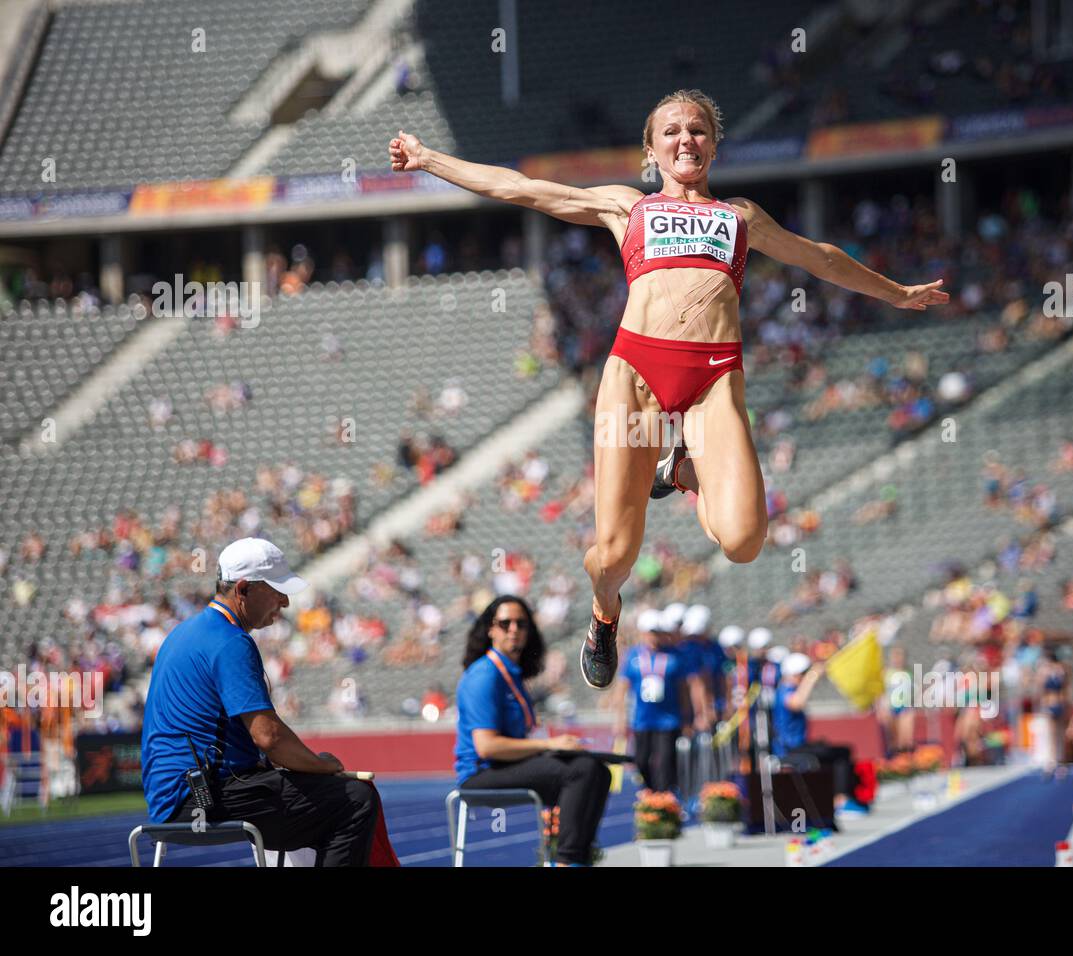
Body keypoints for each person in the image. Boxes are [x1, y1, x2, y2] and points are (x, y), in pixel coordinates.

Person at [390, 90, 947, 692]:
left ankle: (681, 468)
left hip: (713, 380)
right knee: (615, 554)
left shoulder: (741, 216)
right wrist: (429, 160)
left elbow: (820, 258)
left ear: (715, 143)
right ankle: (605, 614)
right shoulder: (627, 208)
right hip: (635, 378)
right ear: (651, 149)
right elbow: (522, 188)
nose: (687, 140)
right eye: (673, 132)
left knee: (742, 540)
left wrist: (896, 292)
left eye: (700, 131)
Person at [141, 538, 382, 866]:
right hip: (201, 798)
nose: (284, 601)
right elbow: (269, 737)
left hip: (170, 798)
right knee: (355, 799)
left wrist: (313, 766)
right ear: (243, 590)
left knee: (317, 784)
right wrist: (325, 766)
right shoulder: (231, 642)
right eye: (276, 590)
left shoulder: (182, 633)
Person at [454, 595, 610, 866]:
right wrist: (551, 746)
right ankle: (565, 861)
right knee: (582, 771)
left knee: (598, 771)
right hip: (481, 773)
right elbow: (487, 747)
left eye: (521, 624)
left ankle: (579, 858)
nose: (513, 629)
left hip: (507, 765)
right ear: (490, 629)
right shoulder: (484, 675)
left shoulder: (511, 673)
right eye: (505, 623)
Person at [612, 609, 700, 792]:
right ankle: (651, 792)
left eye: (657, 633)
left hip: (668, 720)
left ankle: (664, 798)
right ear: (642, 633)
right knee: (641, 760)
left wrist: (687, 719)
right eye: (650, 632)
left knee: (666, 762)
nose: (653, 637)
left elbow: (684, 690)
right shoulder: (633, 656)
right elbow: (621, 689)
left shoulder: (674, 656)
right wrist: (620, 719)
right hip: (642, 720)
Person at [771, 653, 866, 814]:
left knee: (840, 751)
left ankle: (838, 798)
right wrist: (811, 678)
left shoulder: (790, 689)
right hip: (790, 748)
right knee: (840, 755)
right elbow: (796, 703)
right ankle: (840, 800)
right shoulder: (785, 690)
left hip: (800, 744)